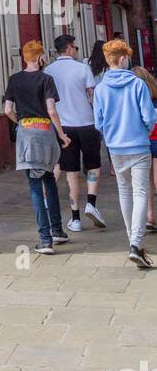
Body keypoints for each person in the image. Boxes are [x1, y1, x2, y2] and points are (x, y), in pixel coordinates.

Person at [93, 39, 157, 269]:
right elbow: (149, 117)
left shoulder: (100, 89)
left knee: (125, 192)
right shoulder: (138, 85)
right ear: (122, 59)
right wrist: (144, 130)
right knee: (140, 193)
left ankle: (133, 242)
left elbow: (98, 122)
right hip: (138, 146)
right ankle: (135, 245)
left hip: (115, 148)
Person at [4, 40, 71, 254]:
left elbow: (7, 110)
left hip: (26, 133)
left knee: (34, 184)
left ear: (24, 57)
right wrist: (62, 135)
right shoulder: (46, 79)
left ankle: (45, 240)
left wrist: (21, 123)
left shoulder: (14, 80)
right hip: (45, 132)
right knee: (49, 177)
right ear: (40, 57)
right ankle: (57, 230)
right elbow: (51, 111)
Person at [44, 34, 105, 232]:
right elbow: (92, 96)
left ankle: (76, 218)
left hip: (64, 128)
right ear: (69, 48)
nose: (76, 50)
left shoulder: (48, 71)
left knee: (71, 173)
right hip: (87, 124)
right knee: (94, 166)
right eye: (75, 47)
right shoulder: (82, 68)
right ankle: (91, 204)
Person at [132, 65, 157, 233]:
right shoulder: (155, 98)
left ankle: (149, 216)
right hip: (156, 140)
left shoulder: (134, 99)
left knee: (146, 182)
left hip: (142, 142)